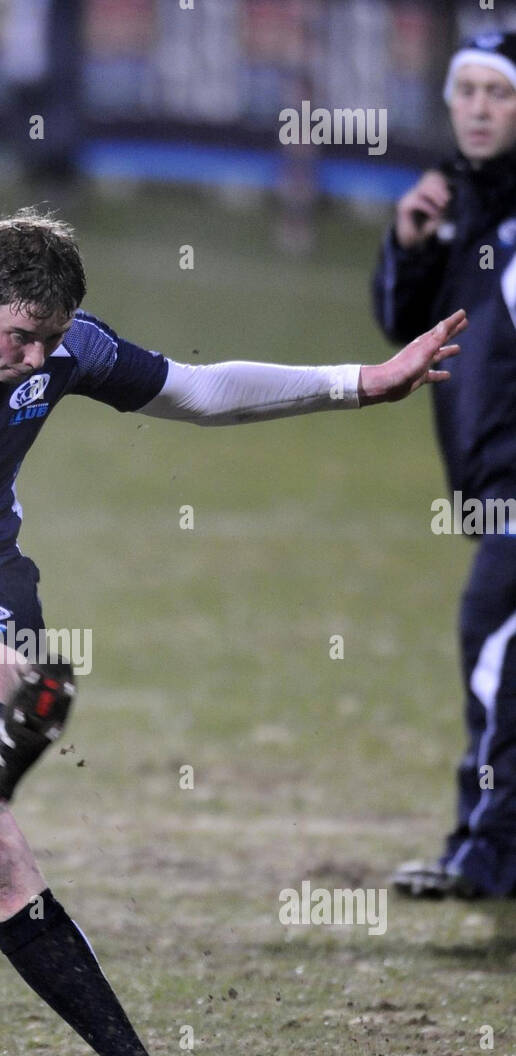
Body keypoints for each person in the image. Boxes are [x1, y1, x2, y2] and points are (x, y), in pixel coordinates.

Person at [0, 208, 464, 1056]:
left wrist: (361, 383)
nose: (36, 359)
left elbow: (199, 391)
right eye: (20, 337)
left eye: (52, 340)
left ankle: (1, 730)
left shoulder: (64, 345)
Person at [373, 32, 516, 899]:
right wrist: (412, 243)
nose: (477, 106)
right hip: (489, 484)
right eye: (465, 89)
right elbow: (404, 328)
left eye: (496, 92)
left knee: (494, 646)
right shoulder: (456, 202)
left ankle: (484, 853)